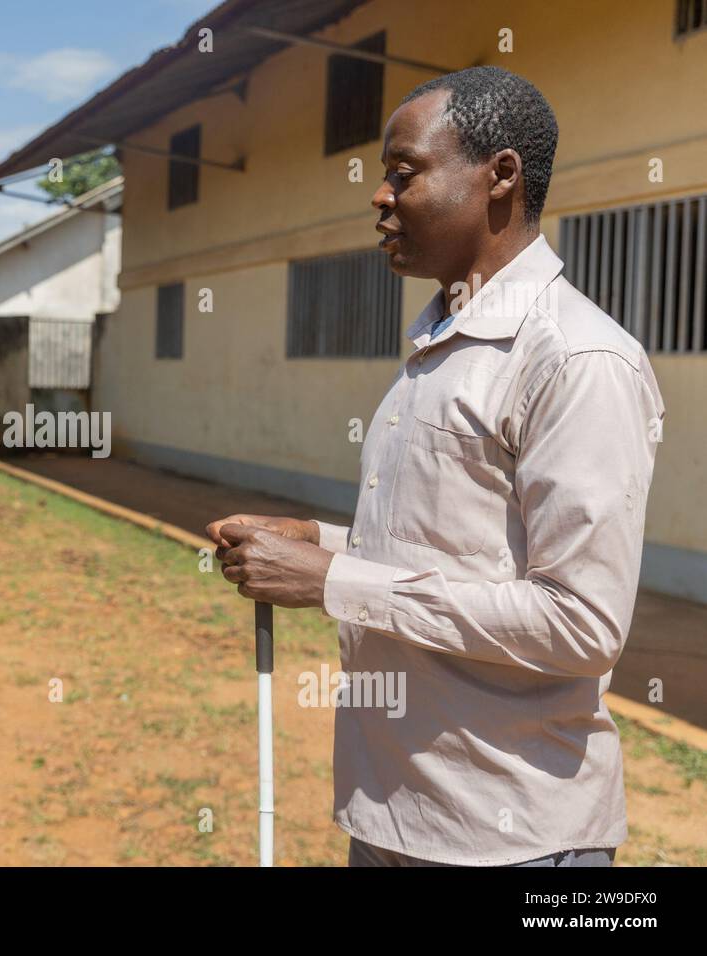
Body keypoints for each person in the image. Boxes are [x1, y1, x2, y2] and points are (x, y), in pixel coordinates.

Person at [207, 67, 664, 867]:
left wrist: (330, 583)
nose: (380, 196)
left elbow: (580, 624)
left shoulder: (577, 359)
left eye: (403, 171)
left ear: (500, 176)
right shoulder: (437, 347)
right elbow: (459, 552)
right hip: (393, 816)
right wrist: (318, 540)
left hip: (511, 836)